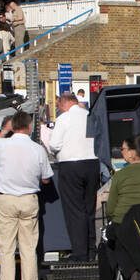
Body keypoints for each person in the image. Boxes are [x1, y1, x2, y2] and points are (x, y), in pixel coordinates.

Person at [0, 111, 53, 280]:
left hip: (5, 198)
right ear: (30, 127)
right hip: (28, 198)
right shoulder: (37, 149)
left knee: (6, 248)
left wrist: (3, 132)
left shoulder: (2, 144)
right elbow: (46, 178)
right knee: (28, 247)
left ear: (12, 126)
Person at [41, 92, 99, 261]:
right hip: (92, 163)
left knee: (74, 210)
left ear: (64, 104)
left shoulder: (64, 119)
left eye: (58, 106)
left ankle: (79, 252)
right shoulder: (90, 116)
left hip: (71, 165)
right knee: (89, 208)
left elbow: (54, 144)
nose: (58, 109)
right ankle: (91, 249)